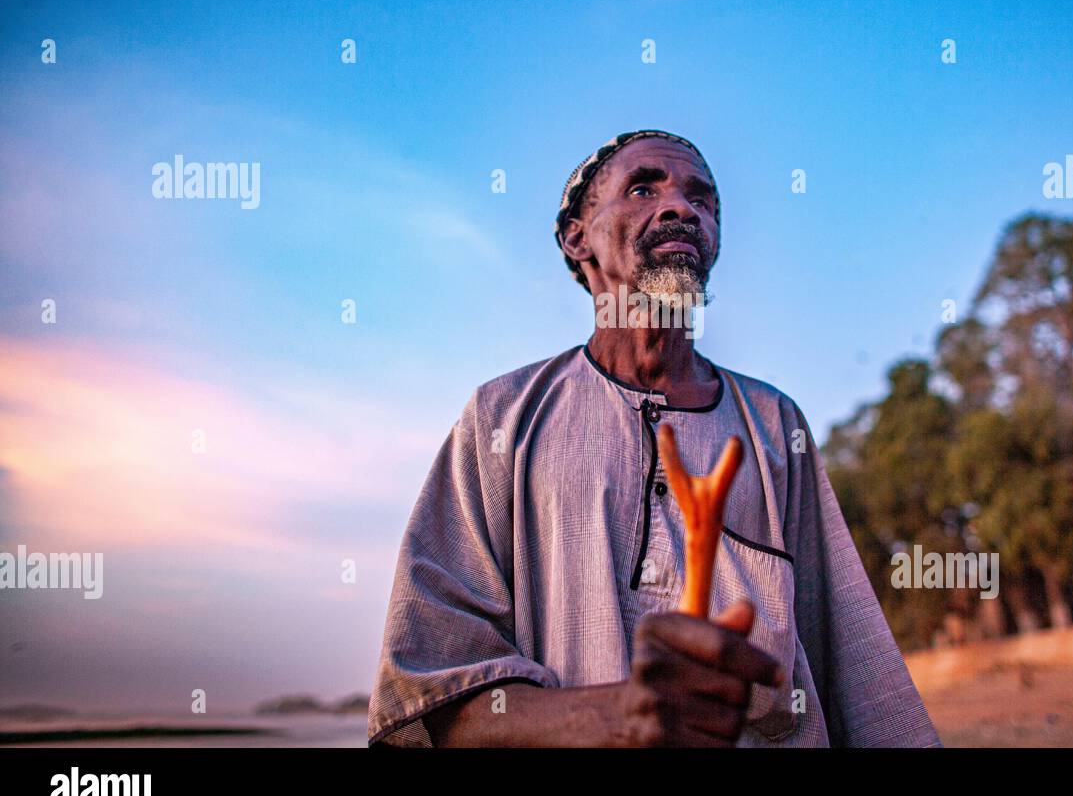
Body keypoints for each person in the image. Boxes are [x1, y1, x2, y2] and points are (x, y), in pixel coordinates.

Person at [367, 129, 941, 747]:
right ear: (575, 236)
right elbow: (437, 693)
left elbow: (845, 664)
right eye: (643, 188)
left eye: (703, 199)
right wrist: (616, 717)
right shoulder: (502, 418)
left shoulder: (776, 424)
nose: (681, 209)